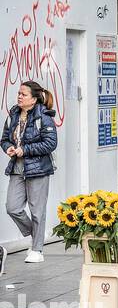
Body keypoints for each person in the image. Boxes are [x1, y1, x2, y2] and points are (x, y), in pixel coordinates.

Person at [3, 80, 57, 264]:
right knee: (12, 207)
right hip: (17, 168)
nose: (19, 97)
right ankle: (36, 235)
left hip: (38, 168)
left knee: (37, 211)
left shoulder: (44, 116)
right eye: (19, 93)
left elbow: (50, 143)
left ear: (34, 99)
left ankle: (37, 250)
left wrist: (25, 150)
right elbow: (4, 138)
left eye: (23, 94)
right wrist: (9, 147)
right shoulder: (13, 114)